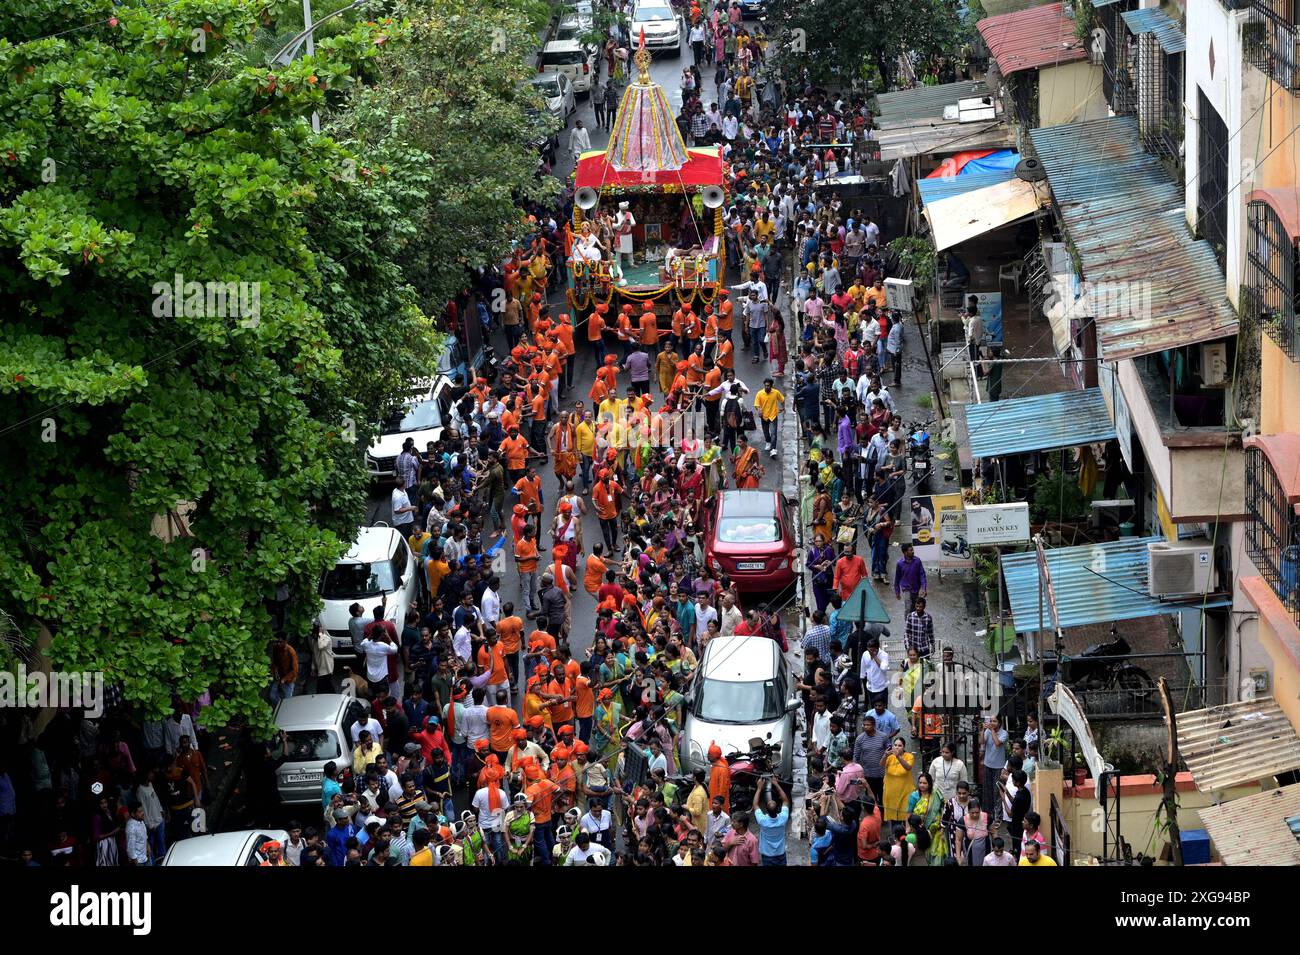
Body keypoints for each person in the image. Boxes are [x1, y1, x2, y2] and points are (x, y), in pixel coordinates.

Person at [893, 542, 927, 612]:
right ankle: (908, 622)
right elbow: (897, 578)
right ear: (905, 552)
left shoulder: (917, 561)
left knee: (915, 608)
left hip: (916, 588)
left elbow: (922, 574)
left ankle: (913, 621)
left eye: (912, 550)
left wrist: (924, 587)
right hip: (906, 589)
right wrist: (897, 591)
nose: (913, 551)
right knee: (908, 608)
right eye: (911, 550)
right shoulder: (900, 563)